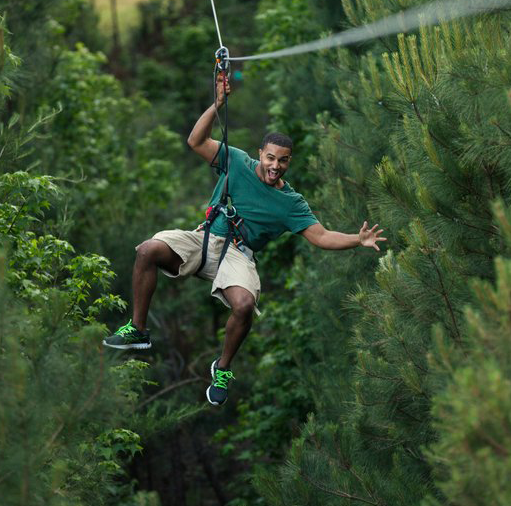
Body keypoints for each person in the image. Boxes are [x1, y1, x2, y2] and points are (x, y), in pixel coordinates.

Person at [104, 75, 386, 405]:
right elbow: (196, 141)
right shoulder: (237, 161)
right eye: (270, 158)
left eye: (282, 160)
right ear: (260, 154)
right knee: (147, 250)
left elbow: (321, 236)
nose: (275, 166)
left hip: (238, 254)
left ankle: (222, 368)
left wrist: (356, 239)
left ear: (289, 161)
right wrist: (217, 105)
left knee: (244, 305)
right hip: (204, 238)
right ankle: (138, 329)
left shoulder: (291, 204)